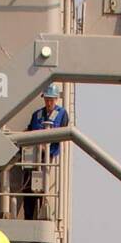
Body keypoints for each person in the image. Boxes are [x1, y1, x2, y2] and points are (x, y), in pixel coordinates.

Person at [19, 84, 69, 220]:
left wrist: (45, 146)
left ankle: (42, 213)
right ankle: (28, 216)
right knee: (29, 186)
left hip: (48, 158)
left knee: (42, 187)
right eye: (47, 99)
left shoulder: (62, 114)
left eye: (51, 100)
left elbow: (62, 135)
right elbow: (29, 130)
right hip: (32, 156)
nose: (48, 102)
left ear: (56, 99)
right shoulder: (37, 114)